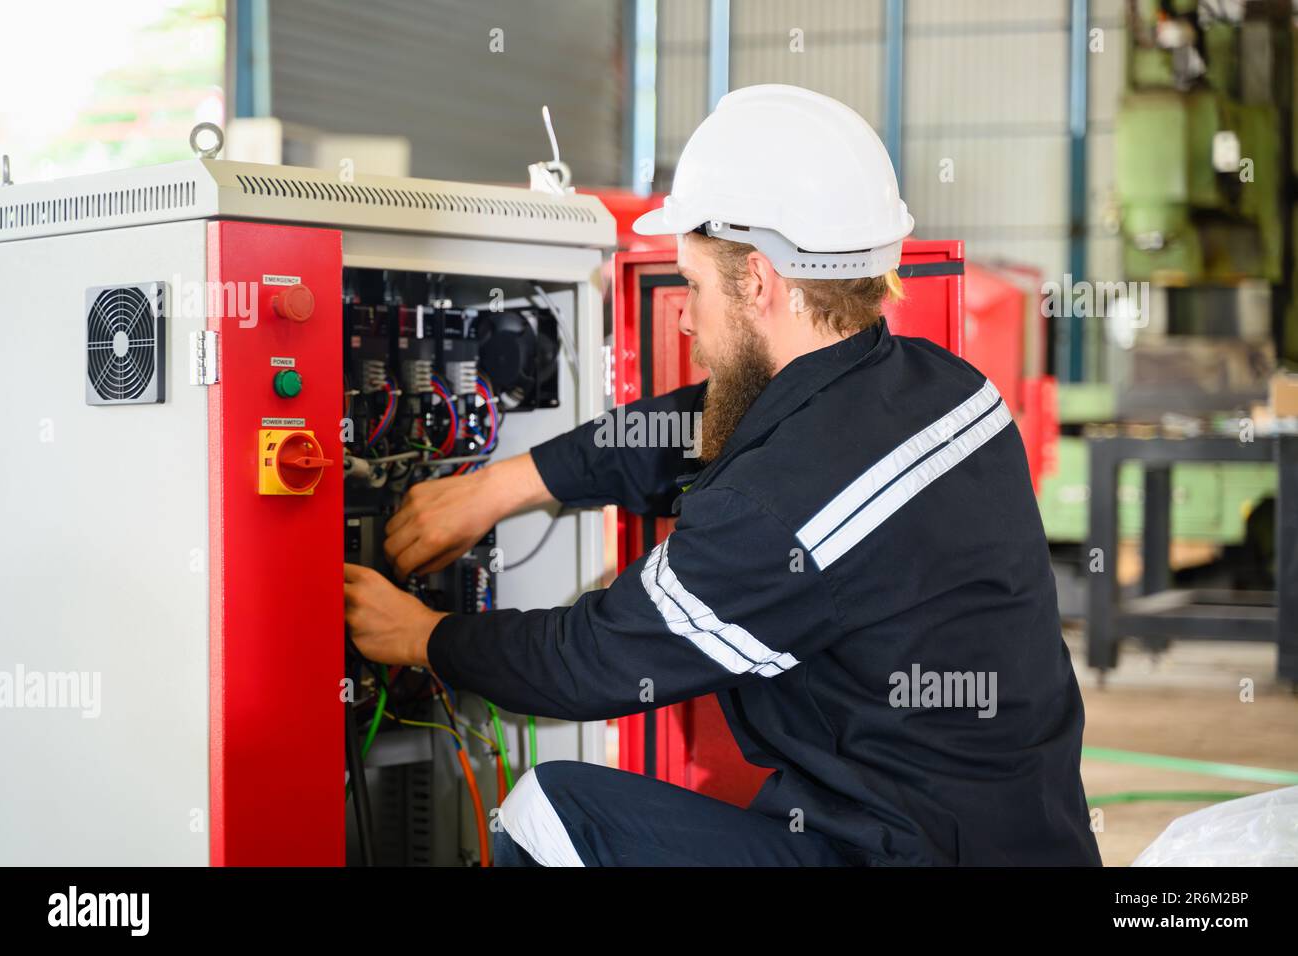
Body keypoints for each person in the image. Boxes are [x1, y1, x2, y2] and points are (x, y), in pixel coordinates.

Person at [344, 84, 1102, 867]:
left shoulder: (777, 512)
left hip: (896, 854)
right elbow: (704, 423)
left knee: (547, 812)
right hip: (1027, 838)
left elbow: (595, 660)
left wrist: (425, 637)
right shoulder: (950, 390)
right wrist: (505, 483)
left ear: (759, 282)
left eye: (692, 285)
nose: (681, 315)